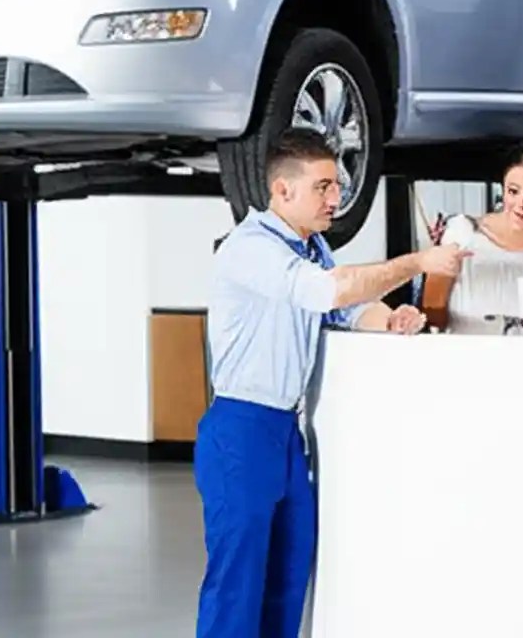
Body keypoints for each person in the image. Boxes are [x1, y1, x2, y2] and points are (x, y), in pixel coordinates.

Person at [194, 127, 469, 638]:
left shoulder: (311, 247)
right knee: (237, 582)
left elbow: (344, 308)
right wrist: (415, 263)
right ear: (282, 192)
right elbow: (324, 293)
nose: (336, 197)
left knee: (288, 572)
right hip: (240, 429)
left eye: (335, 185)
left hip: (284, 433)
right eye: (322, 186)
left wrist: (387, 319)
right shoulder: (250, 247)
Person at [420, 141, 523, 334]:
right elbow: (431, 318)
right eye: (513, 191)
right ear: (502, 189)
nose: (521, 204)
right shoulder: (461, 235)